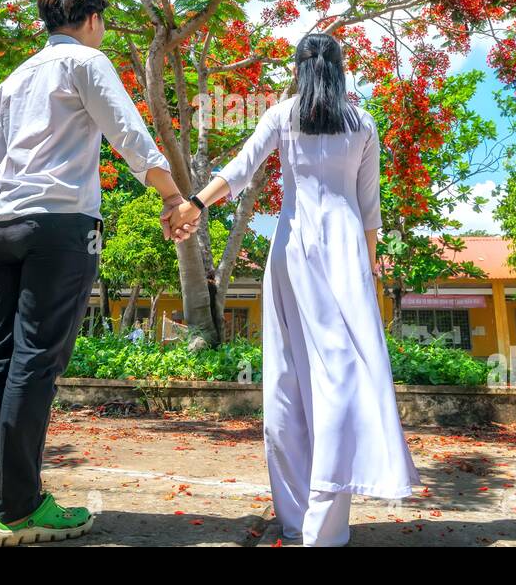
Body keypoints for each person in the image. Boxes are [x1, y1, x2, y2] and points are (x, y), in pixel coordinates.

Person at [0, 0, 186, 547]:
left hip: (3, 225)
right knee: (34, 363)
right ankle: (19, 509)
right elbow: (128, 134)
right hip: (62, 226)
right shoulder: (86, 62)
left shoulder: (11, 80)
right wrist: (172, 197)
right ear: (91, 19)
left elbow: (0, 160)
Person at [167, 33, 420, 547]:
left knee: (286, 382)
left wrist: (194, 202)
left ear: (299, 69)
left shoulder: (283, 114)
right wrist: (371, 266)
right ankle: (325, 524)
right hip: (347, 252)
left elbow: (239, 172)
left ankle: (297, 517)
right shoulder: (364, 120)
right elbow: (368, 209)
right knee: (344, 378)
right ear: (341, 69)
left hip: (295, 248)